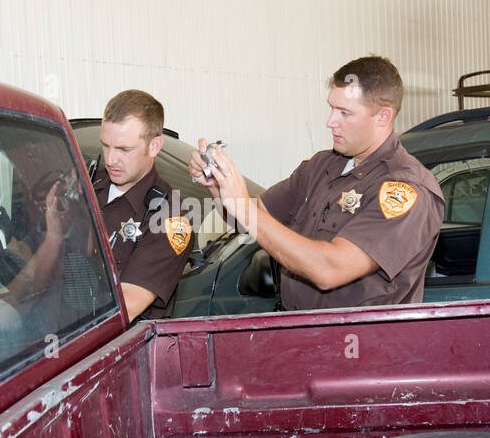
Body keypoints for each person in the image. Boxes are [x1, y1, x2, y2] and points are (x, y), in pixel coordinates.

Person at [188, 56, 444, 310]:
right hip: (302, 331)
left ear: (383, 116)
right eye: (331, 108)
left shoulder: (405, 188)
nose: (330, 121)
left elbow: (329, 270)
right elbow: (250, 221)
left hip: (363, 342)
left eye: (345, 113)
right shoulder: (322, 166)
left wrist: (243, 207)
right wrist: (217, 184)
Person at [91, 90, 196, 320]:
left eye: (124, 150)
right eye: (105, 145)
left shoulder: (172, 218)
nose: (110, 159)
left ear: (154, 146)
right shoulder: (85, 185)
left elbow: (124, 308)